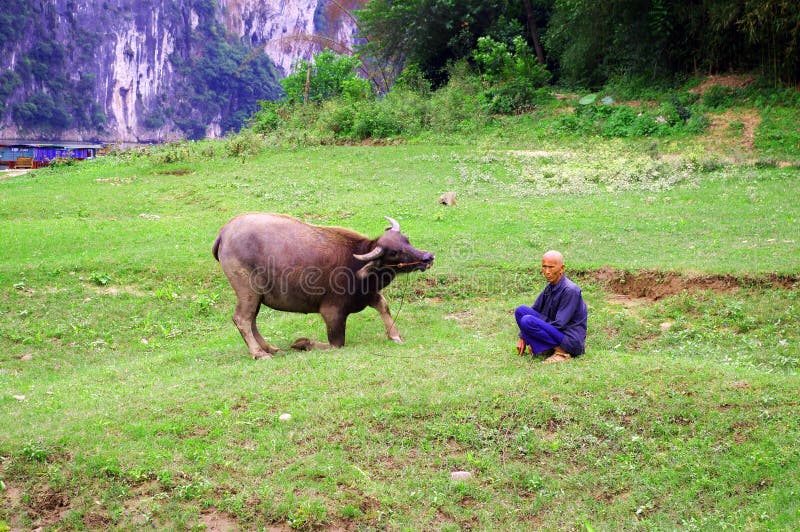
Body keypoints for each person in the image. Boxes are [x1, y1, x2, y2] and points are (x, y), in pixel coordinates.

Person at [515, 250, 588, 363]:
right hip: (555, 332)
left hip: (569, 339)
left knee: (527, 320)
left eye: (551, 267)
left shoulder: (570, 290)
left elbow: (559, 324)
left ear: (562, 268)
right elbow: (534, 311)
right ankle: (547, 347)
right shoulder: (550, 286)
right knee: (521, 311)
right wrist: (523, 336)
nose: (547, 272)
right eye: (544, 267)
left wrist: (530, 331)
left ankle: (562, 352)